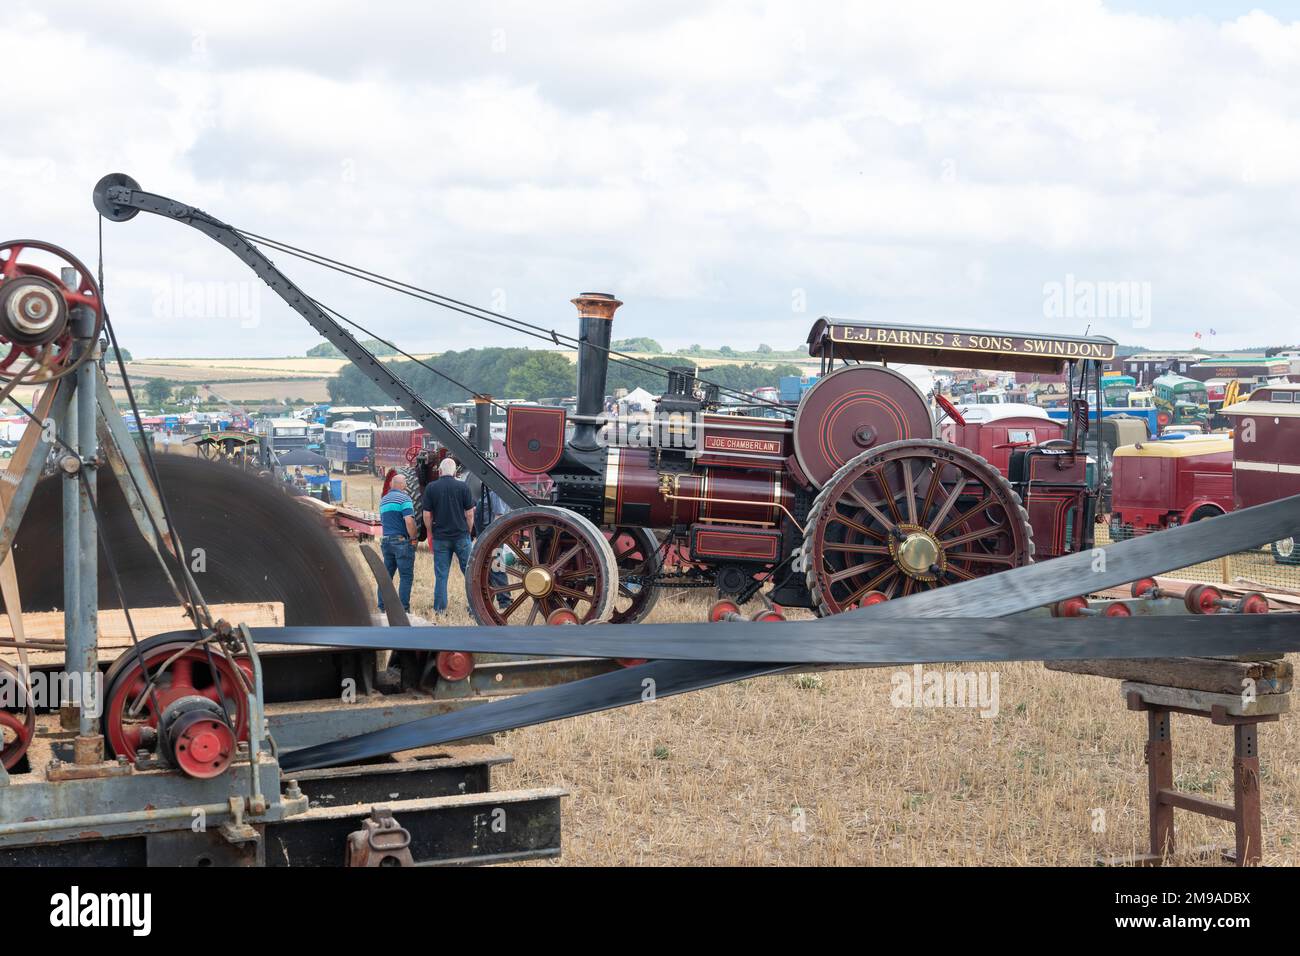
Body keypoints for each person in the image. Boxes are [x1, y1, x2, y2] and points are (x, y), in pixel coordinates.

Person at [422, 457, 475, 614]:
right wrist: (468, 531)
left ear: (440, 471)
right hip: (461, 536)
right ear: (455, 472)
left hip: (440, 538)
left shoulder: (431, 488)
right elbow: (470, 514)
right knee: (469, 573)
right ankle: (474, 608)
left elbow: (426, 515)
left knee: (441, 575)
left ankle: (439, 610)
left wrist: (430, 532)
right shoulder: (463, 487)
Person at [377, 472, 419, 614]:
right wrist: (414, 538)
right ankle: (403, 609)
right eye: (406, 483)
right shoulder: (404, 499)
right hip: (401, 542)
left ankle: (382, 607)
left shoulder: (384, 500)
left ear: (391, 484)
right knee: (406, 576)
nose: (407, 485)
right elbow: (409, 520)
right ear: (403, 485)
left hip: (386, 541)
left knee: (386, 576)